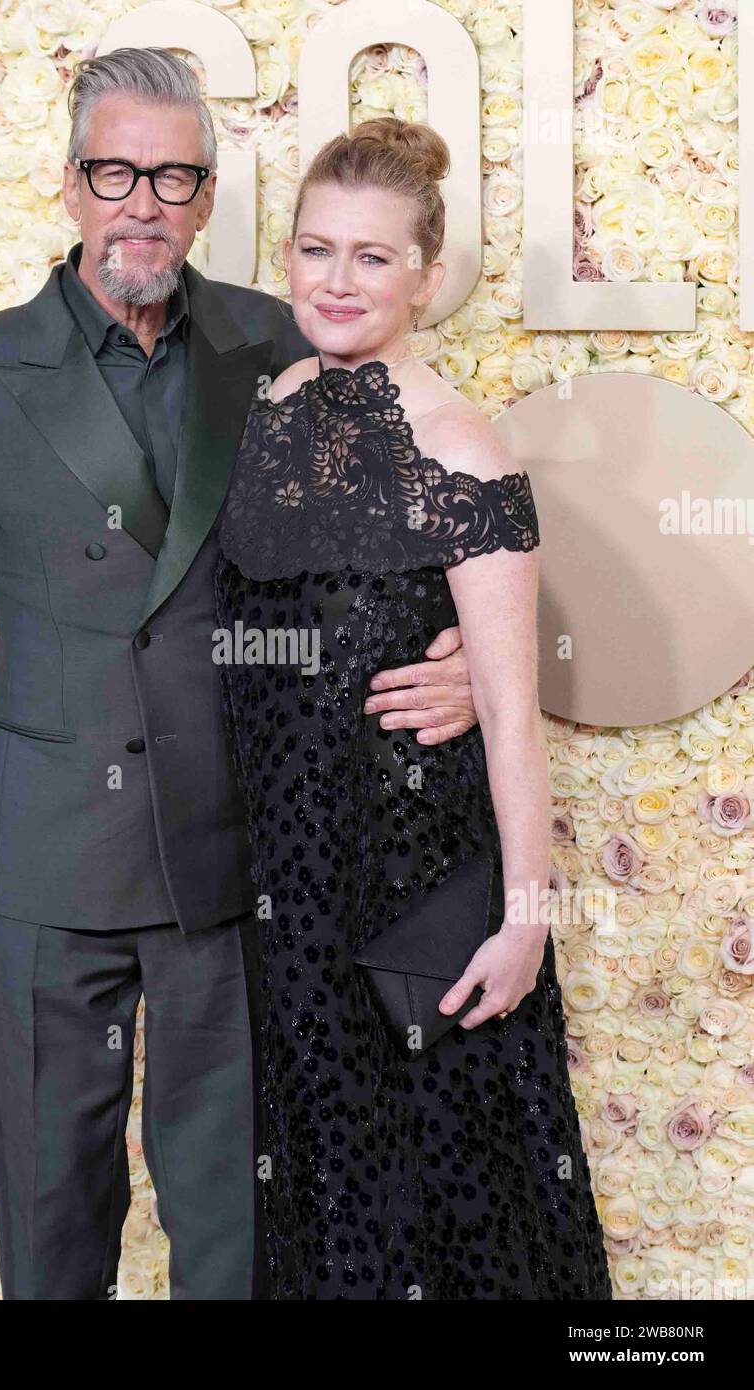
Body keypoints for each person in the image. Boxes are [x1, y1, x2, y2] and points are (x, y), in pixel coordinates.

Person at [0, 49, 481, 1301]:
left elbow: (441, 518)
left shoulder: (286, 341)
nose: (144, 202)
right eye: (116, 171)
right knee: (52, 1222)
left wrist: (465, 665)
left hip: (230, 866)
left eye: (173, 176)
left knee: (237, 1235)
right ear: (71, 183)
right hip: (38, 871)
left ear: (205, 191)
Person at [214, 117, 614, 1299]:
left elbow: (508, 708)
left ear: (427, 277)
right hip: (288, 889)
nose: (338, 281)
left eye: (373, 257)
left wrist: (526, 921)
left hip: (411, 887)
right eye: (316, 249)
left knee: (441, 1206)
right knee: (324, 1196)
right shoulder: (274, 402)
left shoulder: (464, 454)